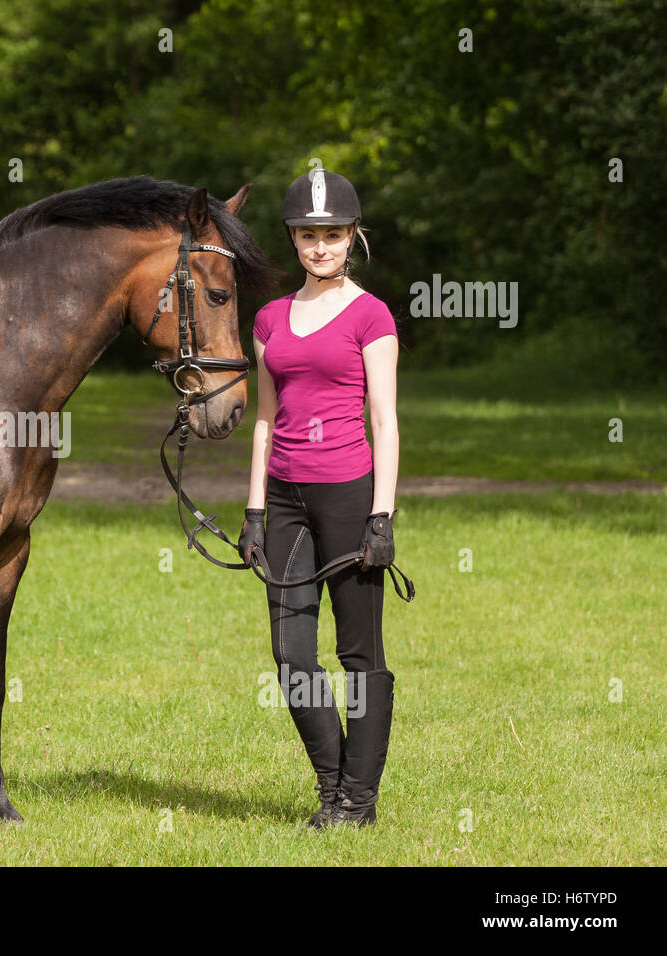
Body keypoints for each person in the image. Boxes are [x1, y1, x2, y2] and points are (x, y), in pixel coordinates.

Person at [238, 168, 401, 828]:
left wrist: (381, 514)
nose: (321, 247)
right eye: (309, 236)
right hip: (284, 499)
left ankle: (356, 804)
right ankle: (332, 784)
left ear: (350, 236)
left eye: (332, 234)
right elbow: (265, 419)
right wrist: (253, 509)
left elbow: (385, 420)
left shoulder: (372, 316)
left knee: (358, 654)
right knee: (291, 654)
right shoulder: (270, 319)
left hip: (349, 494)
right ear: (294, 240)